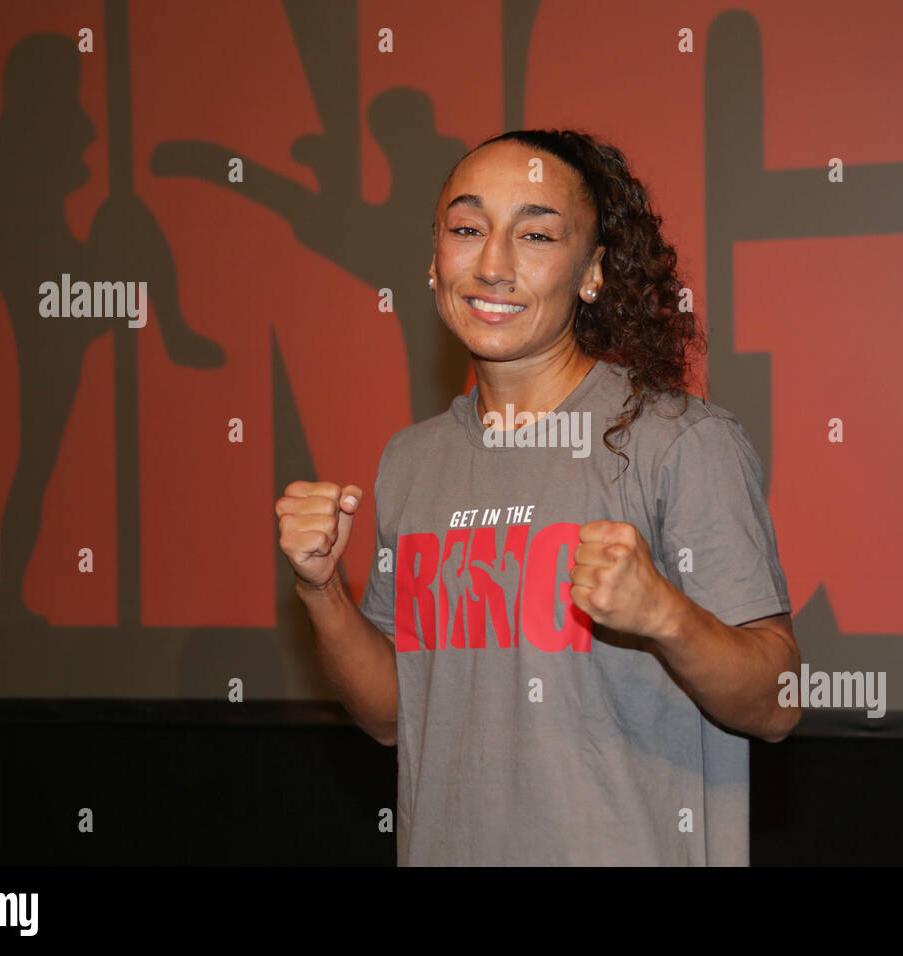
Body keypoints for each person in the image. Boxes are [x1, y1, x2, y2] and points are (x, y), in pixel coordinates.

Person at [275, 129, 799, 865]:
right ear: (434, 261)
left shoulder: (680, 441)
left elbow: (777, 704)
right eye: (467, 230)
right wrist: (321, 588)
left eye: (536, 235)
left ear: (591, 274)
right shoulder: (412, 460)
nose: (493, 265)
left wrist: (664, 614)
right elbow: (396, 715)